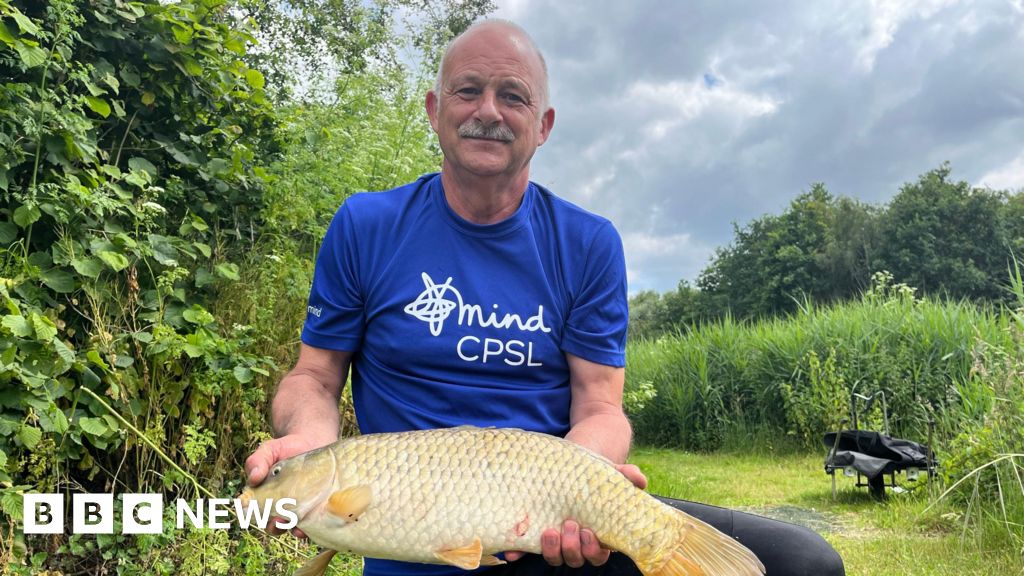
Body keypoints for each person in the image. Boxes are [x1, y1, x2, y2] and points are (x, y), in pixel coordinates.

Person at [245, 19, 844, 576]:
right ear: (433, 110)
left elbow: (600, 407)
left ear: (544, 124)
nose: (488, 111)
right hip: (411, 535)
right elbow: (315, 380)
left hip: (549, 534)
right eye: (468, 90)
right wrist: (306, 445)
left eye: (513, 96)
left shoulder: (588, 243)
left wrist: (586, 484)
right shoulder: (367, 225)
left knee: (802, 561)